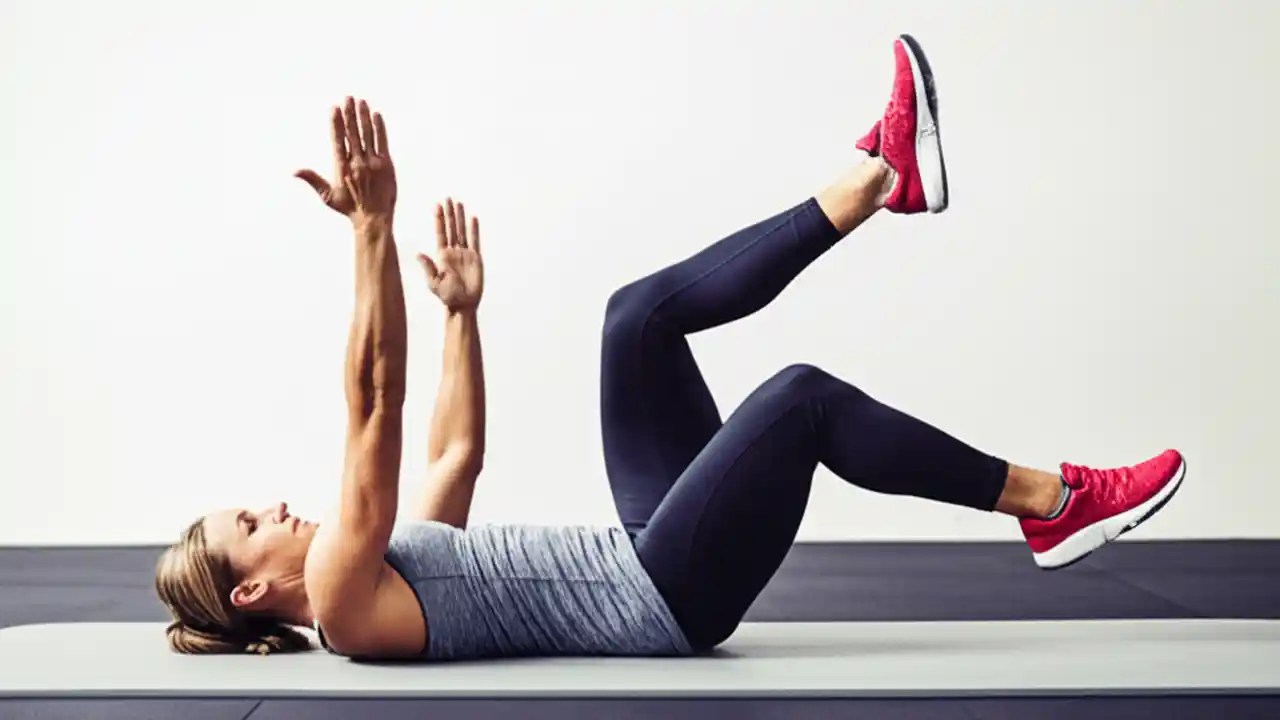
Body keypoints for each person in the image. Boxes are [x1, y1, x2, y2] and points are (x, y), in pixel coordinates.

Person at [154, 34, 1185, 660]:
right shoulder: (339, 597)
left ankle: (879, 181)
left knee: (633, 321)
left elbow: (450, 458)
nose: (272, 506)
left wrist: (462, 315)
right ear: (251, 590)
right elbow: (373, 407)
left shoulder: (375, 571)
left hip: (642, 551)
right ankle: (1053, 505)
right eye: (251, 522)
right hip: (662, 599)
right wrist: (371, 230)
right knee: (797, 400)